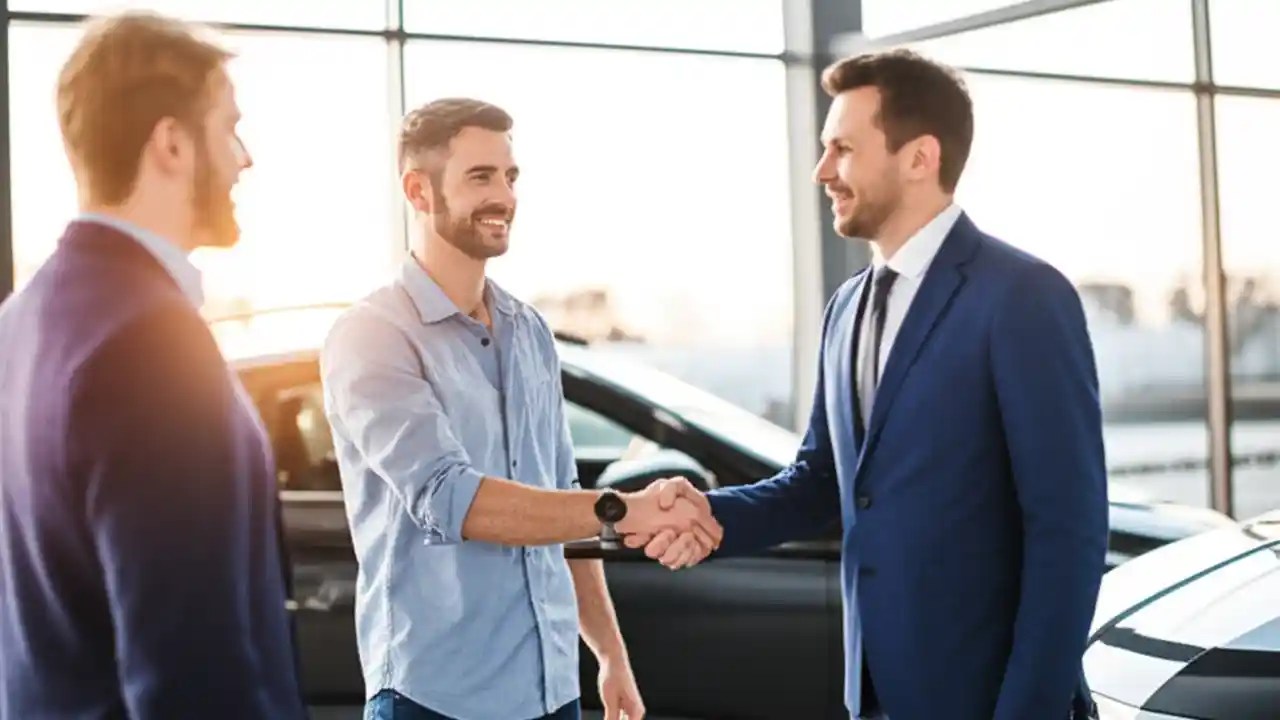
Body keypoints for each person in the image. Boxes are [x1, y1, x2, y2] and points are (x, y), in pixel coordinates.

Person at [633, 49, 1108, 720]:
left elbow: (1070, 530)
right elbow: (822, 481)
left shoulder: (1023, 296)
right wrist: (710, 517)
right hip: (876, 696)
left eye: (843, 150)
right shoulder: (846, 307)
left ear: (920, 158)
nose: (822, 171)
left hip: (987, 701)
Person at [320, 97, 720, 720]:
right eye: (480, 177)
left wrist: (609, 654)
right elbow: (452, 500)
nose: (503, 196)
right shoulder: (372, 335)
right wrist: (627, 509)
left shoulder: (528, 331)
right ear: (418, 191)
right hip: (434, 698)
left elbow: (560, 494)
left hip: (550, 689)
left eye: (509, 177)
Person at [0, 11, 306, 720]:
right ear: (170, 142)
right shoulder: (149, 347)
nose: (245, 156)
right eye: (228, 126)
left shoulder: (19, 324)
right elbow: (192, 685)